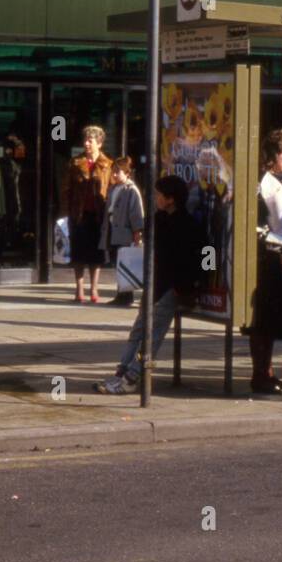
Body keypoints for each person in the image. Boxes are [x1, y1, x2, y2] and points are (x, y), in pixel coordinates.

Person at [96, 174, 205, 395]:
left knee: (151, 334)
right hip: (155, 284)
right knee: (138, 331)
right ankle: (122, 371)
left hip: (172, 287)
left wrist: (191, 284)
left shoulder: (187, 225)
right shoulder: (160, 219)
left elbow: (204, 255)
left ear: (171, 199)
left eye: (158, 195)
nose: (155, 198)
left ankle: (132, 377)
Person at [248, 128, 282, 394]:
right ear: (274, 154)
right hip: (265, 258)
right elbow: (255, 226)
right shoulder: (261, 182)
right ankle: (260, 375)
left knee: (273, 319)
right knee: (263, 319)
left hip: (278, 257)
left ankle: (267, 371)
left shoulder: (278, 180)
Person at [62, 125, 112, 303]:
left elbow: (110, 189)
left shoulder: (107, 165)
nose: (86, 144)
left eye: (90, 141)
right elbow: (66, 189)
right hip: (79, 214)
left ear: (99, 143)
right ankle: (79, 290)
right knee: (79, 253)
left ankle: (94, 289)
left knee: (96, 254)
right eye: (85, 140)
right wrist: (67, 212)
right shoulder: (75, 163)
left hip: (98, 215)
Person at [99, 156, 145, 306]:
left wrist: (137, 233)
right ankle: (121, 293)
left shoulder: (131, 190)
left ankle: (126, 295)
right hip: (112, 230)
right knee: (116, 262)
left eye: (118, 172)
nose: (114, 175)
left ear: (127, 174)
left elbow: (136, 214)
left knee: (125, 262)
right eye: (113, 172)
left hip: (124, 233)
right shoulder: (113, 188)